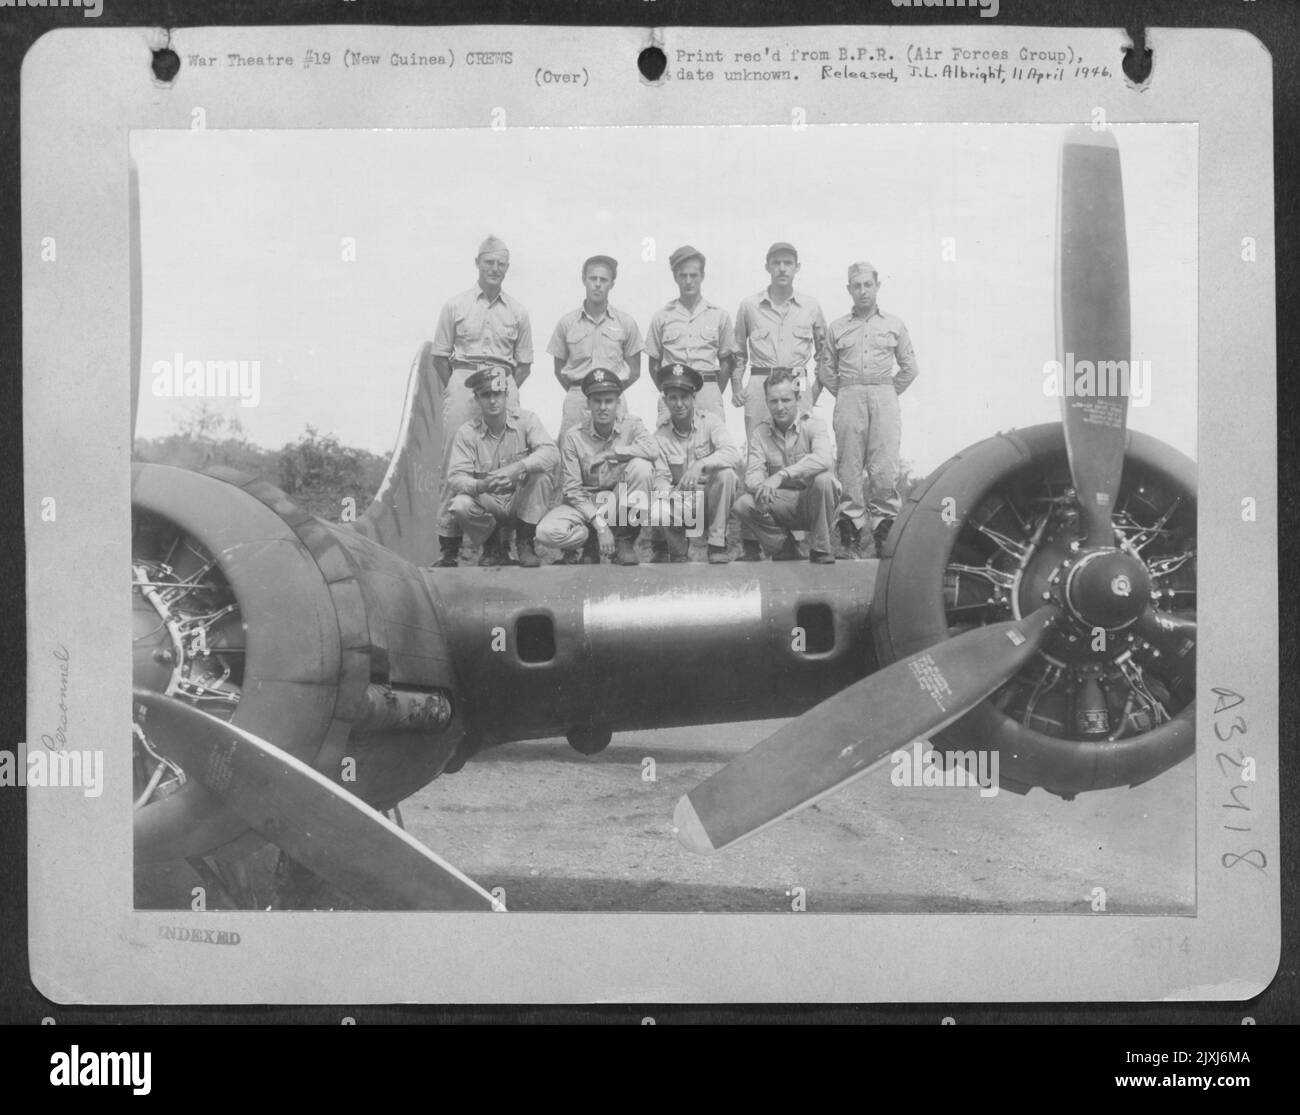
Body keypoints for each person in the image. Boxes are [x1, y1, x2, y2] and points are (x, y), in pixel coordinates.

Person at [431, 235, 534, 554]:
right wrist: (463, 389)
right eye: (489, 262)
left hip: (503, 381)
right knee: (455, 462)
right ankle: (449, 545)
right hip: (464, 380)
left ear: (507, 269)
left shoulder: (518, 311)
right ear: (477, 263)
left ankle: (500, 543)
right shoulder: (455, 305)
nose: (495, 269)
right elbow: (439, 356)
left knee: (507, 459)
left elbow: (525, 364)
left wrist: (504, 390)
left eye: (501, 264)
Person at [822, 260, 919, 559]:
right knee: (849, 466)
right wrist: (847, 393)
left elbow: (909, 368)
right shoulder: (837, 327)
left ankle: (885, 536)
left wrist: (887, 391)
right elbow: (826, 370)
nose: (863, 291)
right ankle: (849, 537)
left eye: (868, 285)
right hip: (849, 394)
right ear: (848, 289)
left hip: (884, 394)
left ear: (877, 286)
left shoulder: (894, 324)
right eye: (856, 286)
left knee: (884, 468)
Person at [535, 368, 660, 566]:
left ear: (618, 403)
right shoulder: (573, 437)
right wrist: (600, 527)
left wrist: (610, 454)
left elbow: (652, 450)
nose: (603, 407)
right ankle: (589, 542)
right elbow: (572, 490)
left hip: (619, 504)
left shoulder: (632, 424)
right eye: (597, 401)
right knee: (546, 532)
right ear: (588, 404)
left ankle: (624, 541)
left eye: (609, 401)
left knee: (642, 468)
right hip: (587, 503)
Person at [438, 367, 558, 568]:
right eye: (486, 395)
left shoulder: (527, 421)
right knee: (460, 504)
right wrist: (481, 485)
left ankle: (525, 543)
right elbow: (456, 477)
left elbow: (551, 452)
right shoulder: (467, 433)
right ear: (477, 399)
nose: (492, 400)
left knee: (541, 478)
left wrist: (518, 468)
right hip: (488, 503)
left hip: (519, 502)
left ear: (506, 396)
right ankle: (493, 547)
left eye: (497, 394)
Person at [733, 369, 841, 564]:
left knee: (824, 480)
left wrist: (781, 475)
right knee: (743, 504)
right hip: (781, 502)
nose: (780, 407)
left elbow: (824, 458)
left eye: (786, 400)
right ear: (766, 402)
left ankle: (821, 549)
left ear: (797, 398)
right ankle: (784, 545)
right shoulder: (760, 433)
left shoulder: (814, 424)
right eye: (773, 401)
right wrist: (762, 487)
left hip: (814, 502)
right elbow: (752, 475)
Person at [732, 242, 829, 443]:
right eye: (776, 263)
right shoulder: (749, 306)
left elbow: (825, 355)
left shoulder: (811, 306)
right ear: (767, 267)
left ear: (797, 267)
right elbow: (738, 353)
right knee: (759, 450)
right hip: (760, 383)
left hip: (797, 381)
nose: (782, 268)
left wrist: (814, 391)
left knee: (801, 449)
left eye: (788, 263)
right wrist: (737, 387)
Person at [650, 365, 741, 564]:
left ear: (694, 398)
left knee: (726, 474)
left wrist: (700, 464)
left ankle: (717, 544)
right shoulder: (659, 436)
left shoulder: (711, 422)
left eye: (684, 397)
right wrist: (672, 497)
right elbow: (660, 479)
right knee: (658, 500)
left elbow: (732, 454)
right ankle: (675, 549)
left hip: (710, 502)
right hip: (681, 503)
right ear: (665, 401)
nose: (679, 404)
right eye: (673, 398)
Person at [547, 255, 643, 442]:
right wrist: (580, 389)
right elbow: (559, 369)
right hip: (578, 398)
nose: (597, 284)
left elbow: (635, 370)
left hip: (612, 399)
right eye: (593, 278)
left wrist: (610, 391)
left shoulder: (626, 323)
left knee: (617, 454)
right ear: (584, 280)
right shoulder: (567, 323)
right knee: (570, 452)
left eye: (603, 280)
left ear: (612, 284)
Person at [645, 245, 738, 427]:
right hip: (673, 391)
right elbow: (653, 363)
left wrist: (713, 390)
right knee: (668, 446)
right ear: (675, 277)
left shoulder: (719, 315)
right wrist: (668, 391)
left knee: (713, 444)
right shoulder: (662, 316)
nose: (688, 281)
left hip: (707, 390)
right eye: (683, 275)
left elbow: (726, 361)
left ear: (702, 276)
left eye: (693, 275)